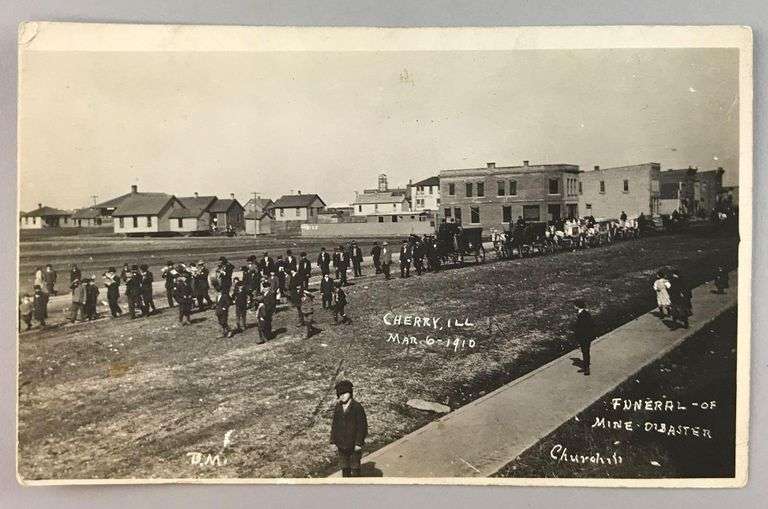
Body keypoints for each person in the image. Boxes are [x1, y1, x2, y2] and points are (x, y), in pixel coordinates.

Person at [330, 380, 368, 478]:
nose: (342, 396)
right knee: (345, 468)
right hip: (341, 444)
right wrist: (333, 441)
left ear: (350, 393)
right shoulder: (338, 407)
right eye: (339, 394)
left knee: (355, 468)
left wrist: (359, 443)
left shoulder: (357, 407)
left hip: (353, 445)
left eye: (344, 393)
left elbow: (362, 427)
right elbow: (334, 425)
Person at [573, 299, 595, 376]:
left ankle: (586, 369)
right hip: (587, 336)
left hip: (583, 337)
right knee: (586, 352)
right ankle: (586, 367)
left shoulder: (581, 314)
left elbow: (581, 327)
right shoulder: (586, 313)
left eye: (574, 305)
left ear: (577, 306)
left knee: (585, 352)